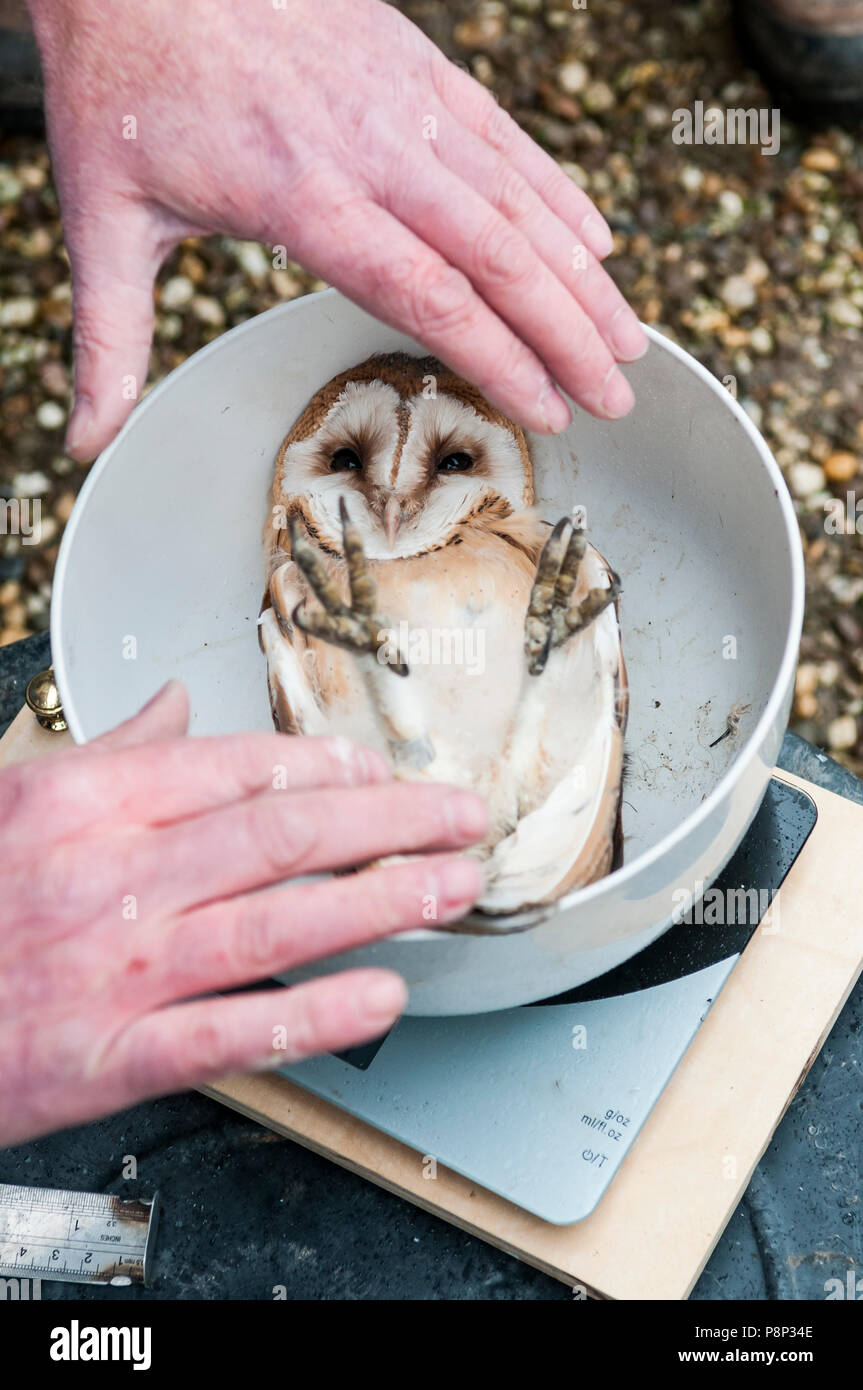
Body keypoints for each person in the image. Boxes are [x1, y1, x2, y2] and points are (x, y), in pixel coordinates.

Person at [1, 0, 646, 1148]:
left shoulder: (538, 552)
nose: (397, 500)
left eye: (453, 461)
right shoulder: (300, 587)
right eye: (345, 460)